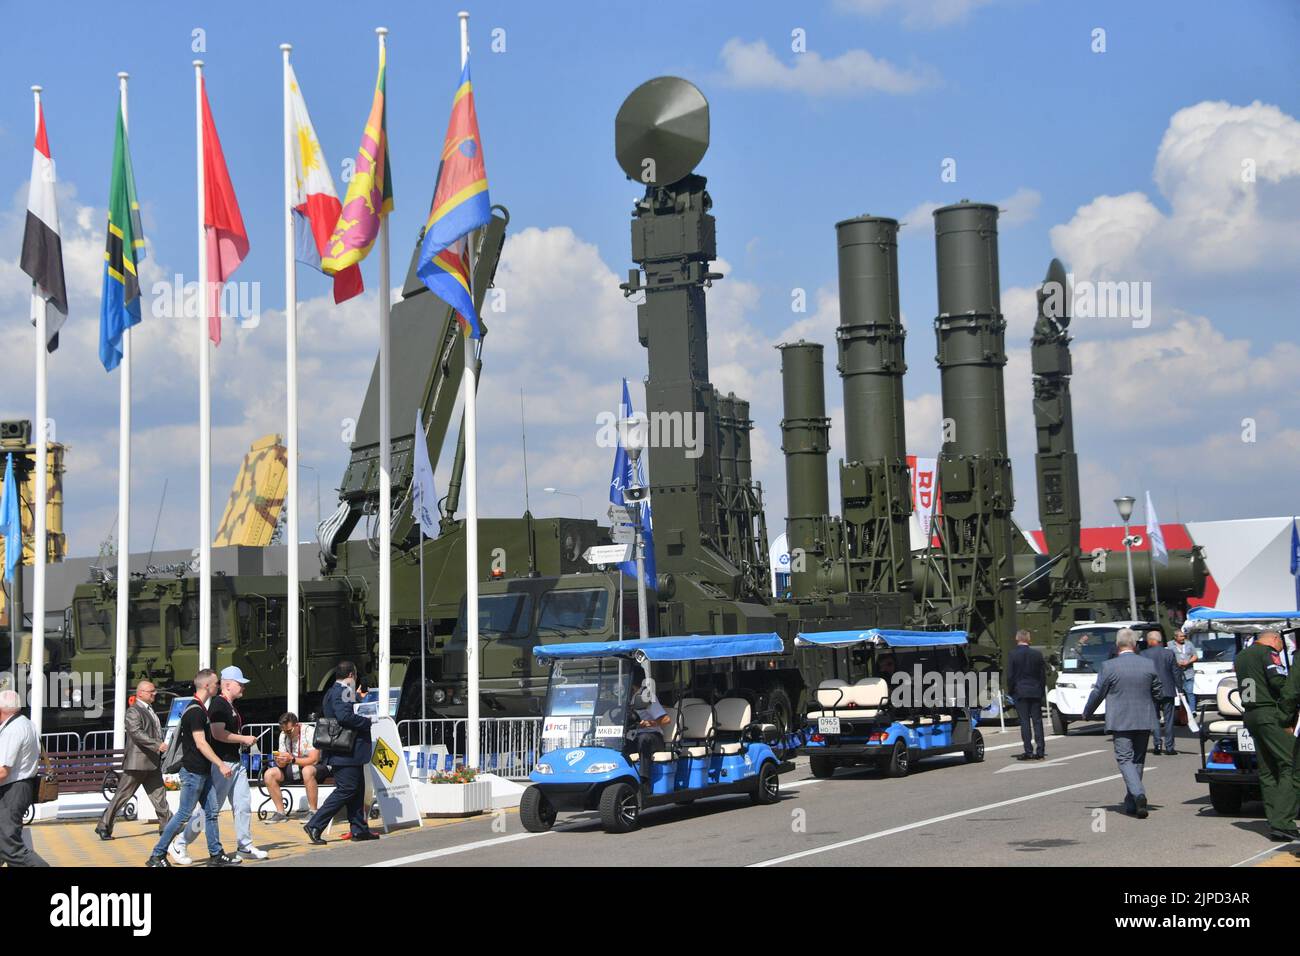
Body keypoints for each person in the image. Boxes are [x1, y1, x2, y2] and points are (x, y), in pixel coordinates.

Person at [170, 665, 268, 863]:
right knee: (209, 811)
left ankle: (245, 845)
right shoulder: (219, 706)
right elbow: (217, 733)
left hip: (235, 763)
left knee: (243, 804)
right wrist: (243, 739)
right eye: (240, 684)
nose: (243, 688)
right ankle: (180, 843)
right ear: (228, 685)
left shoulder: (228, 706)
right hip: (222, 764)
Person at [146, 669, 239, 867]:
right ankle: (157, 855)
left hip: (202, 771)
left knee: (212, 812)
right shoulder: (195, 711)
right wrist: (220, 764)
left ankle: (216, 854)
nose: (218, 685)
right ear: (206, 685)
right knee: (183, 814)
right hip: (193, 771)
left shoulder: (200, 708)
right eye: (216, 683)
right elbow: (201, 743)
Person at [1081, 628, 1161, 818]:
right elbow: (1158, 691)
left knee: (1125, 759)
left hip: (1121, 720)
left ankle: (1139, 793)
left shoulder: (1109, 666)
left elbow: (1098, 692)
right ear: (1134, 644)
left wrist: (1087, 711)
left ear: (1118, 645)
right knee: (1138, 759)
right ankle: (1132, 802)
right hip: (1144, 718)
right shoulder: (1148, 664)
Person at [1233, 629, 1300, 842]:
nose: (1281, 648)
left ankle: (1274, 820)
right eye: (1281, 643)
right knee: (1291, 764)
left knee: (1268, 769)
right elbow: (1278, 682)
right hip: (1269, 713)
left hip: (1251, 714)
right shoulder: (1267, 652)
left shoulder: (1242, 655)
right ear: (1274, 639)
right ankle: (1283, 821)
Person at [303, 662, 377, 845]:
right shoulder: (341, 691)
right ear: (351, 675)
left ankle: (359, 829)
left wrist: (358, 699)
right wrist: (367, 722)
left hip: (348, 752)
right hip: (345, 752)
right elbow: (344, 717)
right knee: (347, 789)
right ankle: (315, 824)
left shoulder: (335, 691)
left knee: (357, 789)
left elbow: (343, 711)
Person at [96, 680, 172, 839]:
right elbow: (136, 733)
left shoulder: (149, 709)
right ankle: (104, 825)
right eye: (151, 691)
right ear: (141, 693)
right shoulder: (133, 711)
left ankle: (167, 826)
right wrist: (157, 745)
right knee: (122, 796)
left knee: (159, 795)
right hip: (137, 763)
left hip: (152, 762)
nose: (155, 693)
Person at [0, 689, 48, 866]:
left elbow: (3, 771)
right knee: (5, 841)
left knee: (11, 847)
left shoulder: (13, 730)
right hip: (21, 788)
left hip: (12, 790)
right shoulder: (27, 724)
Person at [264, 712, 321, 822]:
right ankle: (280, 813)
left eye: (289, 731)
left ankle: (313, 812)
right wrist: (280, 761)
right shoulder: (283, 734)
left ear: (297, 725)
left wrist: (292, 759)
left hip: (315, 767)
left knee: (307, 770)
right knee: (269, 774)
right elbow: (282, 763)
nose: (287, 733)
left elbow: (314, 760)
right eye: (284, 731)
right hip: (294, 767)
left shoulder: (310, 731)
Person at [626, 665, 671, 790]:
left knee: (643, 739)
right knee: (619, 744)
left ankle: (644, 780)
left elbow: (666, 720)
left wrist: (647, 723)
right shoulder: (625, 697)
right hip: (633, 735)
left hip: (653, 737)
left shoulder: (646, 696)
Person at [1007, 629, 1047, 761]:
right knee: (1037, 721)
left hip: (1020, 691)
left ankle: (1028, 750)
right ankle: (1040, 750)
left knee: (1024, 721)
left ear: (1017, 638)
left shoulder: (1013, 654)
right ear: (1029, 639)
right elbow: (1042, 675)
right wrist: (1041, 690)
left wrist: (1011, 690)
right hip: (1035, 690)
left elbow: (1010, 676)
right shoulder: (1037, 654)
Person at [1145, 631, 1181, 756]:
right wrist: (1180, 689)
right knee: (1169, 719)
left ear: (1150, 641)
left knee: (1154, 718)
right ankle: (1170, 747)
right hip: (1168, 689)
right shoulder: (1169, 653)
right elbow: (1176, 672)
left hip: (1151, 690)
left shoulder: (1144, 654)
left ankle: (1157, 744)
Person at [1171, 627, 1199, 716]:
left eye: (1184, 636)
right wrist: (1176, 663)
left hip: (1189, 672)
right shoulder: (1170, 645)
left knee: (1190, 692)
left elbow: (1195, 656)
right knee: (1179, 693)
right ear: (1175, 637)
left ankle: (1192, 711)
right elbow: (1168, 657)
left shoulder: (1189, 644)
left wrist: (1188, 662)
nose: (1183, 638)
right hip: (1176, 673)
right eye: (1181, 636)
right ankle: (1181, 711)